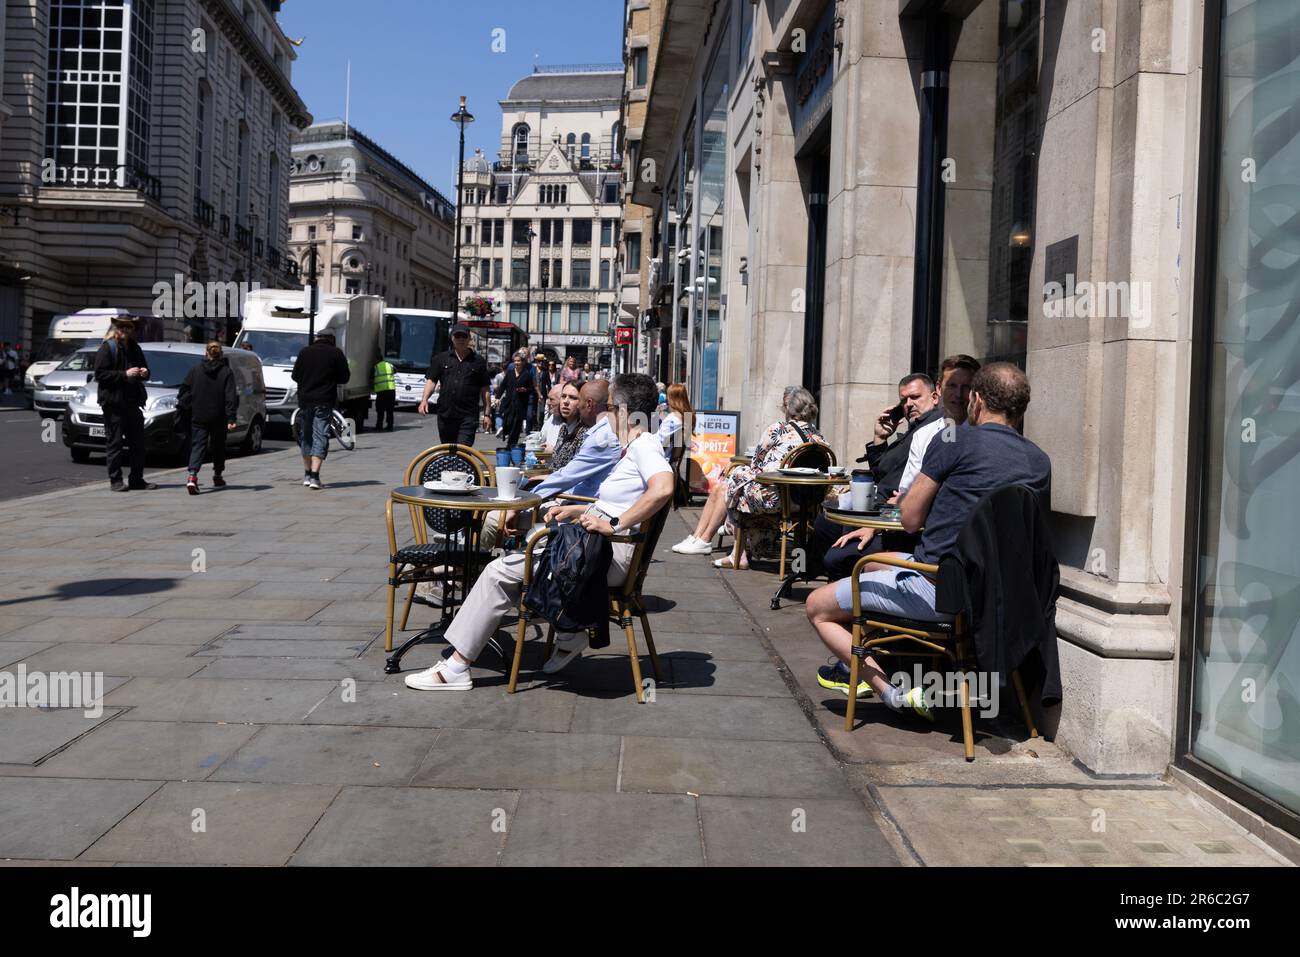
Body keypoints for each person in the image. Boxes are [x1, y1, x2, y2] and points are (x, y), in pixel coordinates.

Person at [805, 363, 1051, 712]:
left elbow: (908, 519)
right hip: (1001, 599)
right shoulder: (1039, 461)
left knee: (817, 606)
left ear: (977, 401)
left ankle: (890, 691)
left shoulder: (954, 439)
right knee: (872, 563)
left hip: (938, 590)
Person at [404, 373, 674, 690]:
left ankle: (456, 667)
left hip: (604, 559)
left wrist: (612, 524)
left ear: (626, 412)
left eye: (611, 407)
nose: (605, 414)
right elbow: (621, 500)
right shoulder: (635, 448)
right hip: (595, 552)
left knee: (497, 572)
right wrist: (579, 510)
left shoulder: (644, 445)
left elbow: (663, 488)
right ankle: (569, 632)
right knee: (516, 559)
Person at [816, 356, 980, 580]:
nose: (959, 394)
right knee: (829, 533)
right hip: (901, 526)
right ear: (941, 389)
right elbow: (901, 496)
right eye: (952, 386)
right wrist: (877, 525)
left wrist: (877, 525)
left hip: (936, 540)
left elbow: (905, 499)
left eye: (966, 387)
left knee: (837, 556)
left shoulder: (981, 434)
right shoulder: (922, 433)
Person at [672, 386, 828, 567]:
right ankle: (702, 539)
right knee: (733, 483)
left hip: (775, 500)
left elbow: (756, 463)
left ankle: (718, 546)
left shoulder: (777, 429)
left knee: (731, 483)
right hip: (807, 502)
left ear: (788, 408)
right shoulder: (819, 437)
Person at [481, 379, 618, 551]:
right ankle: (481, 560)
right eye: (563, 396)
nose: (565, 401)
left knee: (495, 518)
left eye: (576, 399)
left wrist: (522, 504)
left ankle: (478, 565)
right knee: (495, 512)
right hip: (568, 501)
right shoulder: (593, 431)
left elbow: (565, 476)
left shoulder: (600, 437)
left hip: (574, 508)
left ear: (588, 403)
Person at [93, 317, 155, 492]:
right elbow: (100, 374)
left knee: (138, 444)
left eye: (129, 327)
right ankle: (116, 481)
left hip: (132, 403)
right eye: (122, 327)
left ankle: (137, 479)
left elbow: (146, 370)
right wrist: (124, 374)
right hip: (113, 403)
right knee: (115, 444)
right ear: (116, 329)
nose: (126, 331)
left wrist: (145, 372)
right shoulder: (108, 348)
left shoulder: (135, 348)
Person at [291, 331, 350, 490]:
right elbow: (345, 377)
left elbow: (295, 376)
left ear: (317, 339)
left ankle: (307, 474)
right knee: (321, 435)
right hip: (324, 399)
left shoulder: (304, 352)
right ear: (332, 340)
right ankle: (315, 477)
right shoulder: (336, 353)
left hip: (305, 400)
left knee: (306, 435)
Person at [178, 341, 238, 495]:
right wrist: (231, 418)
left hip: (198, 414)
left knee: (198, 445)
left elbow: (183, 390)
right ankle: (217, 475)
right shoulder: (226, 372)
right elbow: (230, 397)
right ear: (220, 354)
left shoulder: (195, 370)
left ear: (206, 353)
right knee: (218, 446)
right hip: (219, 416)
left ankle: (192, 476)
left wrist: (190, 403)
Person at [419, 324, 490, 444]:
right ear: (452, 338)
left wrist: (487, 414)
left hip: (468, 416)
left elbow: (485, 390)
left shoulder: (478, 361)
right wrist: (424, 400)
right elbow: (431, 381)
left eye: (464, 336)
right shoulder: (441, 359)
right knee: (448, 450)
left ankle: (462, 462)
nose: (461, 339)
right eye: (458, 336)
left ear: (469, 339)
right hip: (446, 415)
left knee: (463, 449)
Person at [496, 352, 535, 448]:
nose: (516, 363)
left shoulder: (527, 374)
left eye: (518, 361)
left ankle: (511, 444)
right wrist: (497, 398)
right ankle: (506, 433)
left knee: (516, 424)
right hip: (509, 402)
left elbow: (531, 389)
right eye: (515, 361)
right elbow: (503, 386)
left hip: (520, 404)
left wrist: (525, 390)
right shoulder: (510, 373)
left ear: (523, 362)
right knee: (508, 421)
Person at [657, 383, 692, 458]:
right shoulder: (686, 417)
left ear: (672, 399)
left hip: (661, 459)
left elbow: (658, 442)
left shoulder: (672, 419)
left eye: (668, 396)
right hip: (670, 459)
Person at [372, 355, 397, 432]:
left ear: (377, 359)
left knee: (380, 410)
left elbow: (371, 378)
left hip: (381, 391)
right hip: (391, 390)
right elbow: (395, 371)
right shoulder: (390, 365)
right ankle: (390, 426)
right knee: (390, 410)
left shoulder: (375, 367)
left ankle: (379, 426)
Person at [531, 352, 552, 433]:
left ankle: (540, 426)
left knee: (542, 411)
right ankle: (534, 426)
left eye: (542, 361)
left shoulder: (545, 371)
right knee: (533, 411)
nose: (541, 363)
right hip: (532, 393)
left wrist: (549, 395)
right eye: (539, 361)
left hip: (542, 394)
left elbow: (548, 384)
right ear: (536, 361)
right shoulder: (532, 370)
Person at [539, 385, 564, 450]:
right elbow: (541, 438)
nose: (548, 403)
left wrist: (553, 451)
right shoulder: (552, 417)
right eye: (548, 398)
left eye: (551, 399)